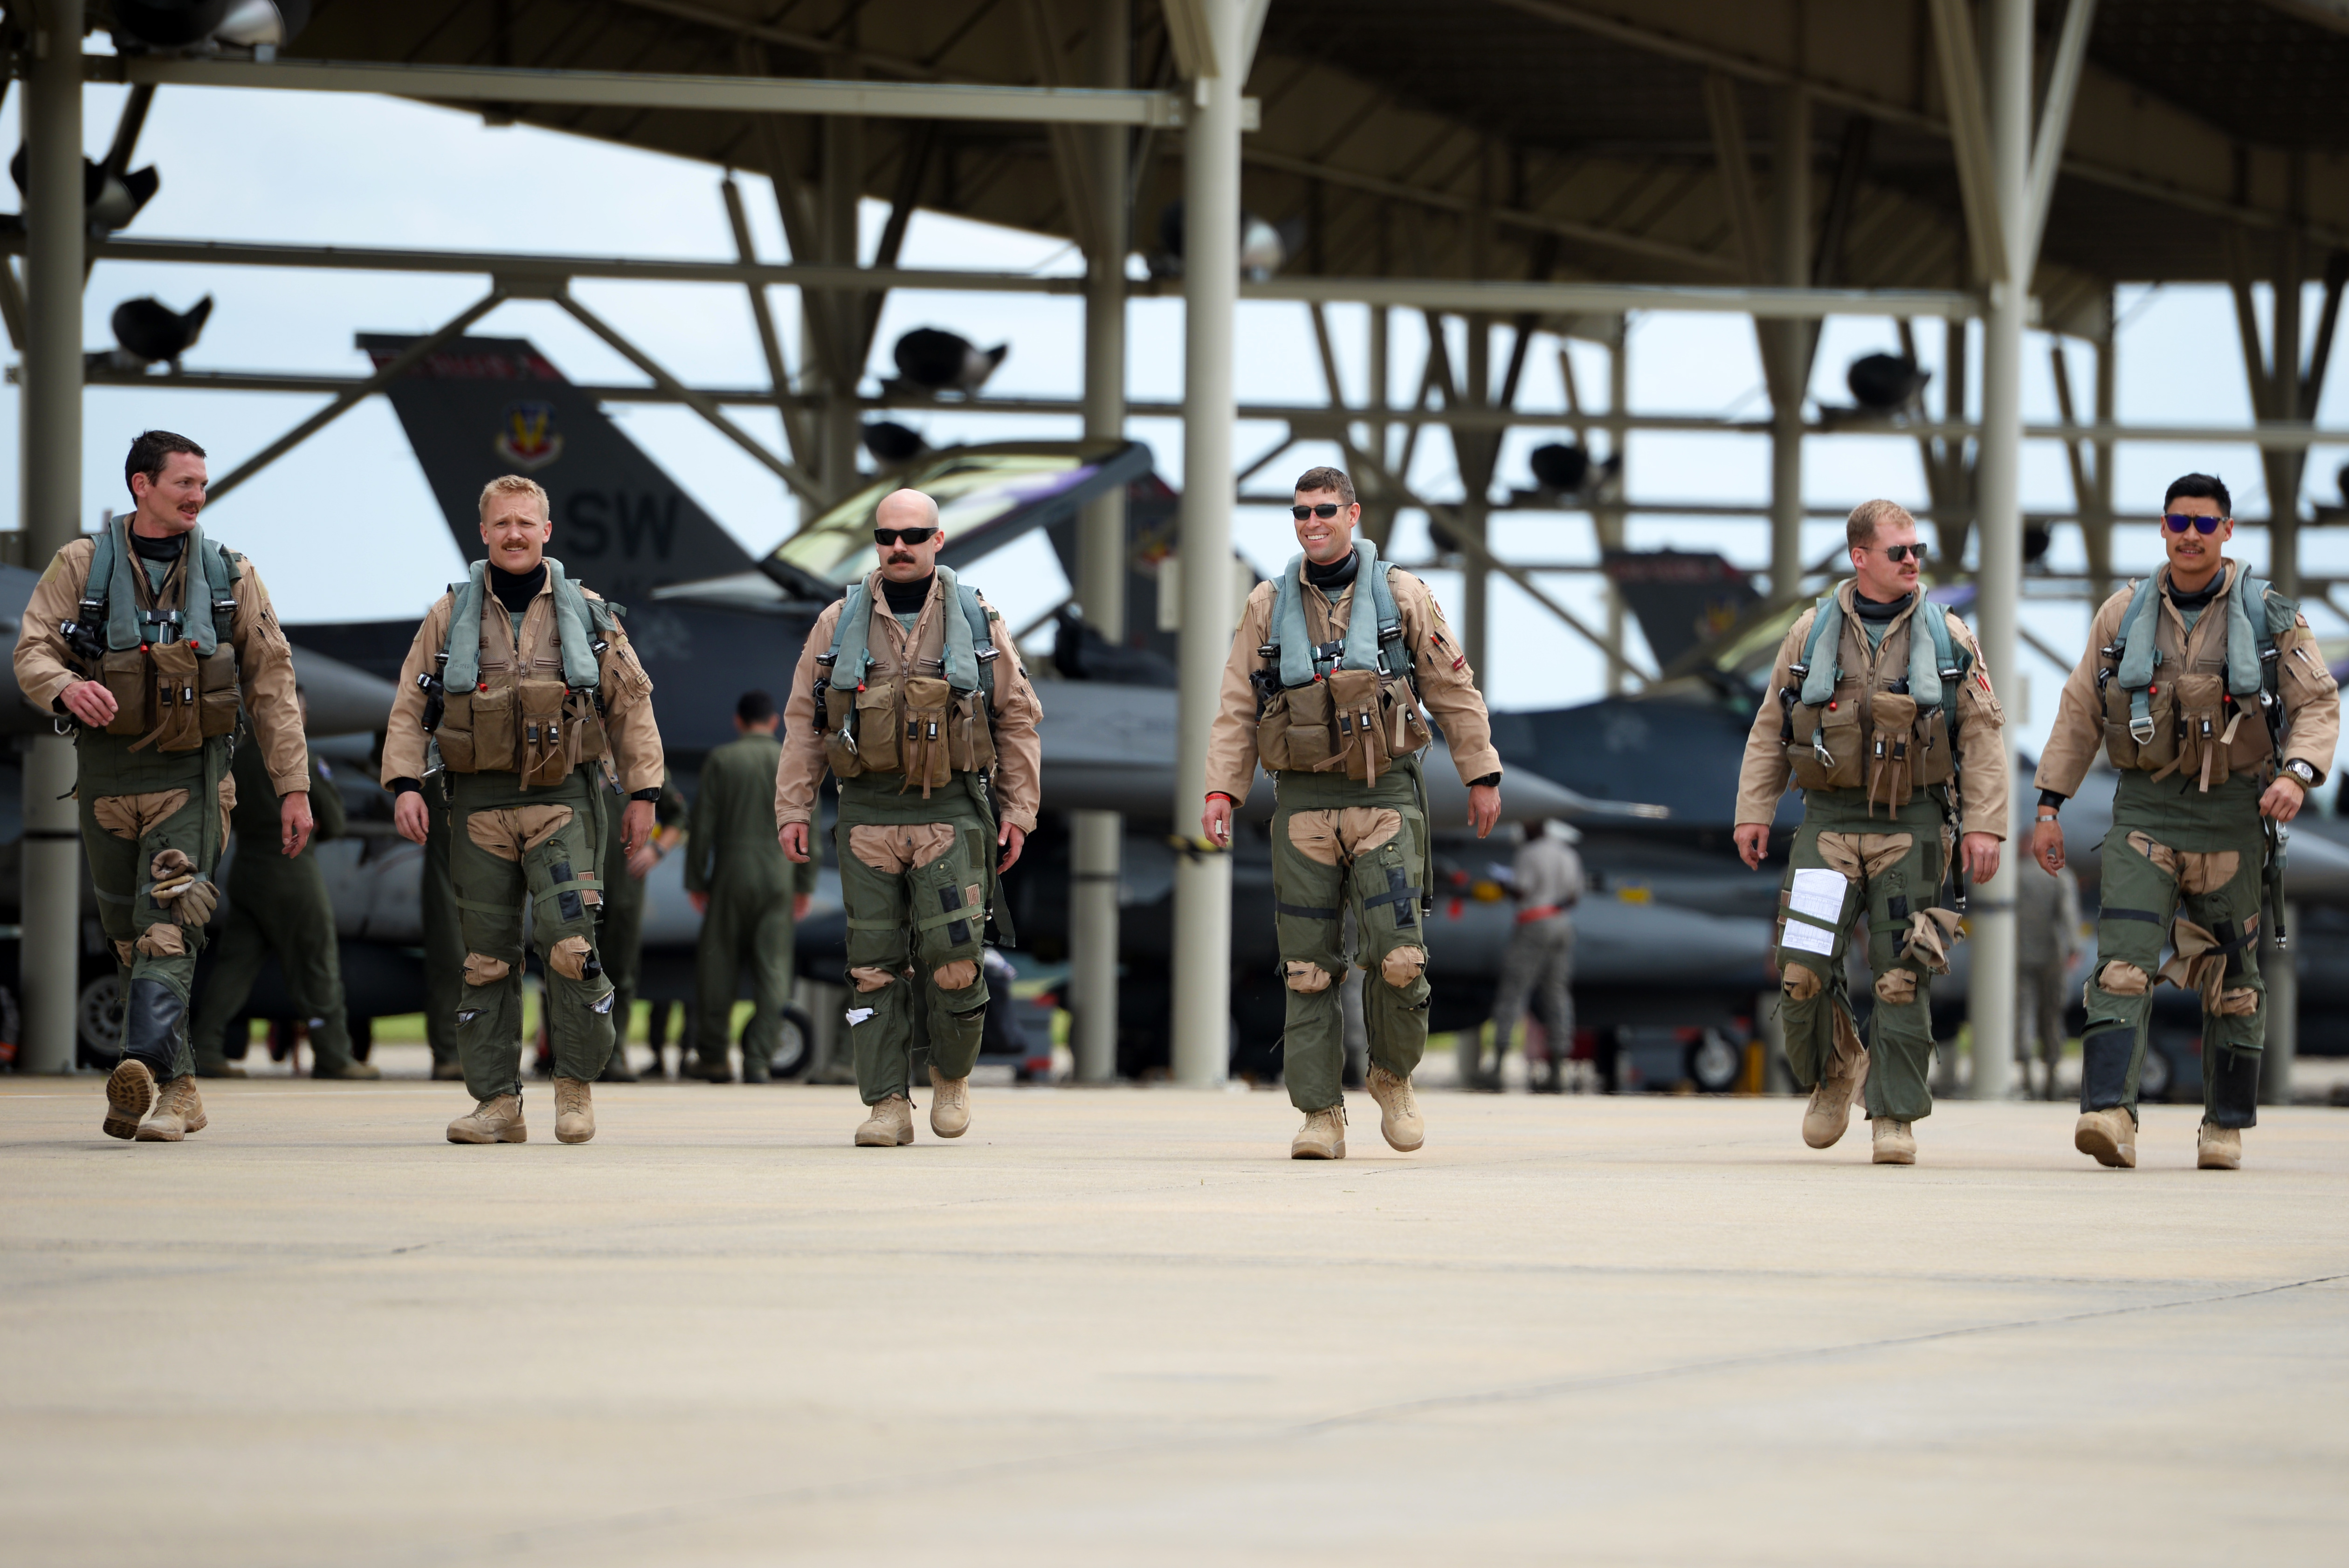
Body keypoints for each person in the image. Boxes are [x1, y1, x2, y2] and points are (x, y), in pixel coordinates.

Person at [2032, 474, 2339, 1170]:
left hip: (2234, 811)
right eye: (2178, 522)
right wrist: (2049, 805)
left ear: (2226, 531)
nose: (2190, 535)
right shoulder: (2122, 615)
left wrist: (2296, 775)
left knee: (2233, 981)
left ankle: (2223, 1126)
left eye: (2204, 523)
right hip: (2143, 808)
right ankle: (2108, 1113)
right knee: (2120, 966)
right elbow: (2079, 711)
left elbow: (2317, 705)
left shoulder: (2269, 617)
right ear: (2162, 528)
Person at [13, 430, 311, 1141]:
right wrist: (62, 688)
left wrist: (293, 787)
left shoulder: (229, 575)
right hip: (108, 778)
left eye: (202, 485)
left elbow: (273, 684)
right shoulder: (80, 566)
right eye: (183, 483)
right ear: (141, 485)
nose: (197, 497)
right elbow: (32, 649)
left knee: (168, 927)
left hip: (193, 777)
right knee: (127, 938)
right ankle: (179, 1089)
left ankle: (140, 1068)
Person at [1202, 465, 1505, 1160]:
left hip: (1385, 799)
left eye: (1325, 510)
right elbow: (1235, 707)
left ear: (1353, 514)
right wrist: (1222, 789)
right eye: (1301, 512)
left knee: (1399, 957)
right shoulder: (1266, 604)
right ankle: (1318, 1115)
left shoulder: (1401, 595)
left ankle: (1391, 1078)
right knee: (1307, 968)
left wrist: (1480, 773)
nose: (1312, 523)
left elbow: (1450, 687)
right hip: (1302, 805)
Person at [382, 474, 665, 1145]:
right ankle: (497, 1104)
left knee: (571, 948)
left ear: (546, 531)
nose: (514, 533)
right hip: (477, 803)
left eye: (525, 523)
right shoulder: (448, 617)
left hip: (565, 798)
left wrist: (644, 794)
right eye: (501, 523)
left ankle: (573, 1089)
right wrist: (404, 785)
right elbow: (408, 709)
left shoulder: (590, 614)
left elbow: (631, 707)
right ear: (483, 533)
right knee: (486, 959)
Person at [1733, 499, 2007, 1166]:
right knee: (1799, 969)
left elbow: (1981, 733)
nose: (1912, 560)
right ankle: (1834, 1071)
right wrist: (1753, 810)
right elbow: (1771, 725)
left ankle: (1894, 1117)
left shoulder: (1948, 637)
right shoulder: (1807, 634)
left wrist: (1985, 827)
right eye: (1897, 551)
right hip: (1827, 823)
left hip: (1913, 824)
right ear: (1859, 559)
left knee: (1903, 976)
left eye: (1916, 550)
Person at [776, 489, 1043, 1146]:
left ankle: (950, 1078)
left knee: (955, 960)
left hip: (950, 809)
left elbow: (1016, 716)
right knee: (873, 965)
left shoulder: (977, 620)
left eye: (913, 535)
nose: (899, 547)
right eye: (887, 536)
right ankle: (886, 1105)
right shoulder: (837, 621)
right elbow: (803, 723)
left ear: (937, 541)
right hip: (866, 811)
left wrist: (1020, 810)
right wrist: (793, 805)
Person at [190, 689, 378, 1080]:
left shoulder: (237, 757)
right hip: (294, 874)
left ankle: (205, 1048)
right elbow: (336, 821)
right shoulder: (299, 758)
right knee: (316, 965)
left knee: (234, 967)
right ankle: (333, 1054)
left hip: (247, 872)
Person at [684, 692, 814, 1083]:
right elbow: (811, 830)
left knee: (717, 967)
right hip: (780, 875)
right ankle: (759, 1061)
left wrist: (696, 880)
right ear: (774, 722)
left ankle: (713, 1058)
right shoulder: (791, 762)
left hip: (730, 873)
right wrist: (804, 884)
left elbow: (702, 827)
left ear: (738, 722)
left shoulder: (722, 760)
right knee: (774, 972)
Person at [593, 765, 683, 1083]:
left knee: (621, 973)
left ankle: (613, 1055)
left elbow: (677, 815)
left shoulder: (642, 764)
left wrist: (657, 850)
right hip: (580, 882)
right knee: (571, 969)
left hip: (625, 887)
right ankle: (573, 1056)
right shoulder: (576, 752)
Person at [1483, 819, 1584, 1093]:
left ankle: (1498, 1065)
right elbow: (1574, 897)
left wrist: (1504, 885)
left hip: (1533, 924)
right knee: (1557, 994)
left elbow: (1522, 890)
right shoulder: (1568, 853)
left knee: (1514, 992)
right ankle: (1557, 1070)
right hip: (1561, 923)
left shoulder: (1529, 853)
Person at [2012, 861, 2081, 1100]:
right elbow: (2068, 913)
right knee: (2052, 1015)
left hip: (2021, 955)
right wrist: (2074, 946)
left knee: (2024, 1014)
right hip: (2052, 956)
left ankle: (2027, 1076)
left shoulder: (2015, 874)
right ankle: (2053, 1075)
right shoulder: (2061, 877)